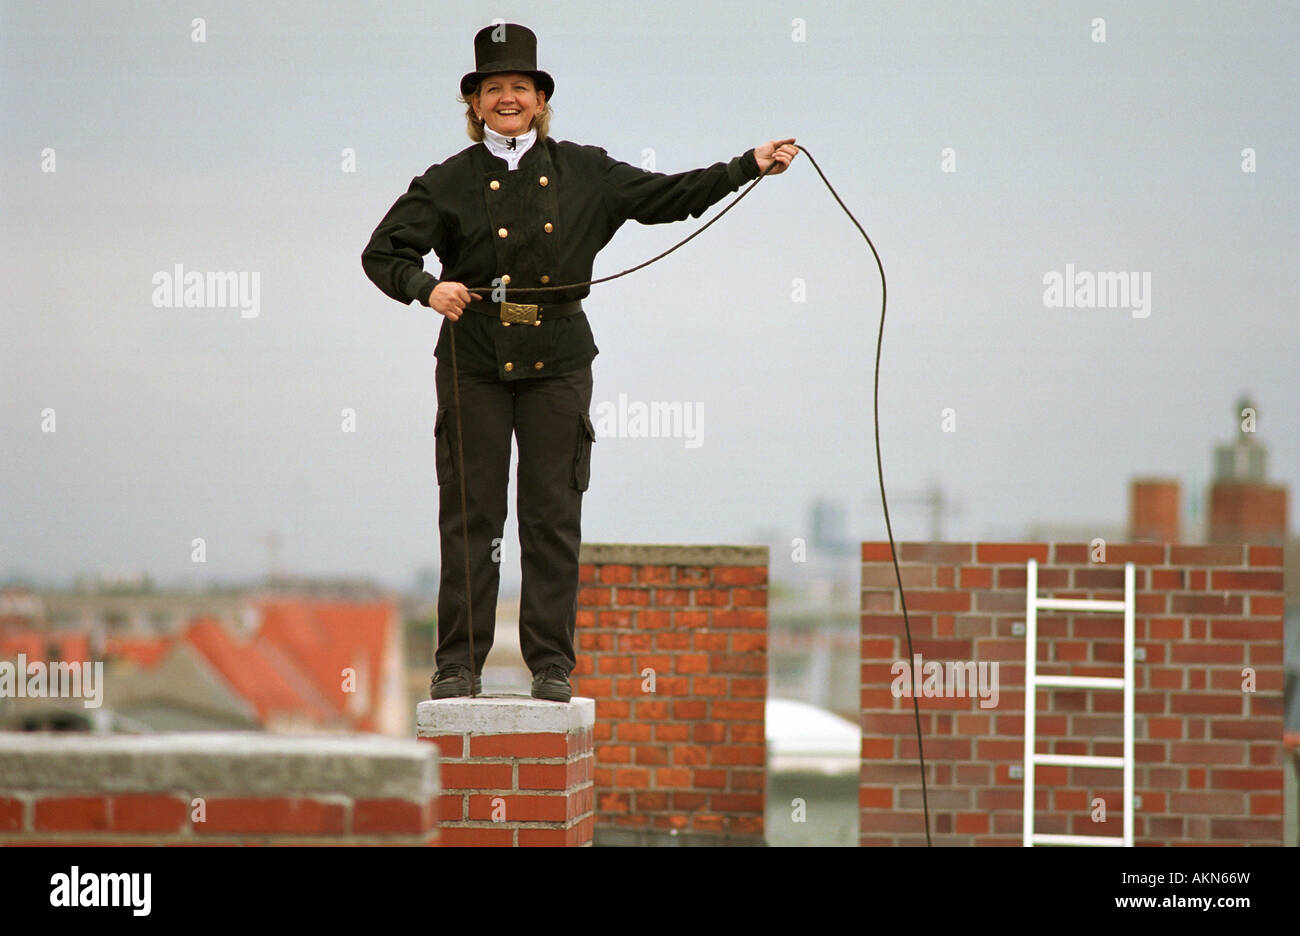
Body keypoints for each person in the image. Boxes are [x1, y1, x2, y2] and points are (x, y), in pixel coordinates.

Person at [361, 22, 796, 703]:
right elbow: (383, 254)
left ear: (539, 99)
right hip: (471, 360)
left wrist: (748, 164)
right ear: (474, 104)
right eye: (493, 88)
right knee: (473, 516)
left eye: (520, 87)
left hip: (559, 363)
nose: (508, 98)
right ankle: (458, 665)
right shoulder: (444, 182)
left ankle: (552, 665)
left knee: (551, 516)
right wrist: (427, 288)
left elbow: (670, 196)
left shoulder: (587, 171)